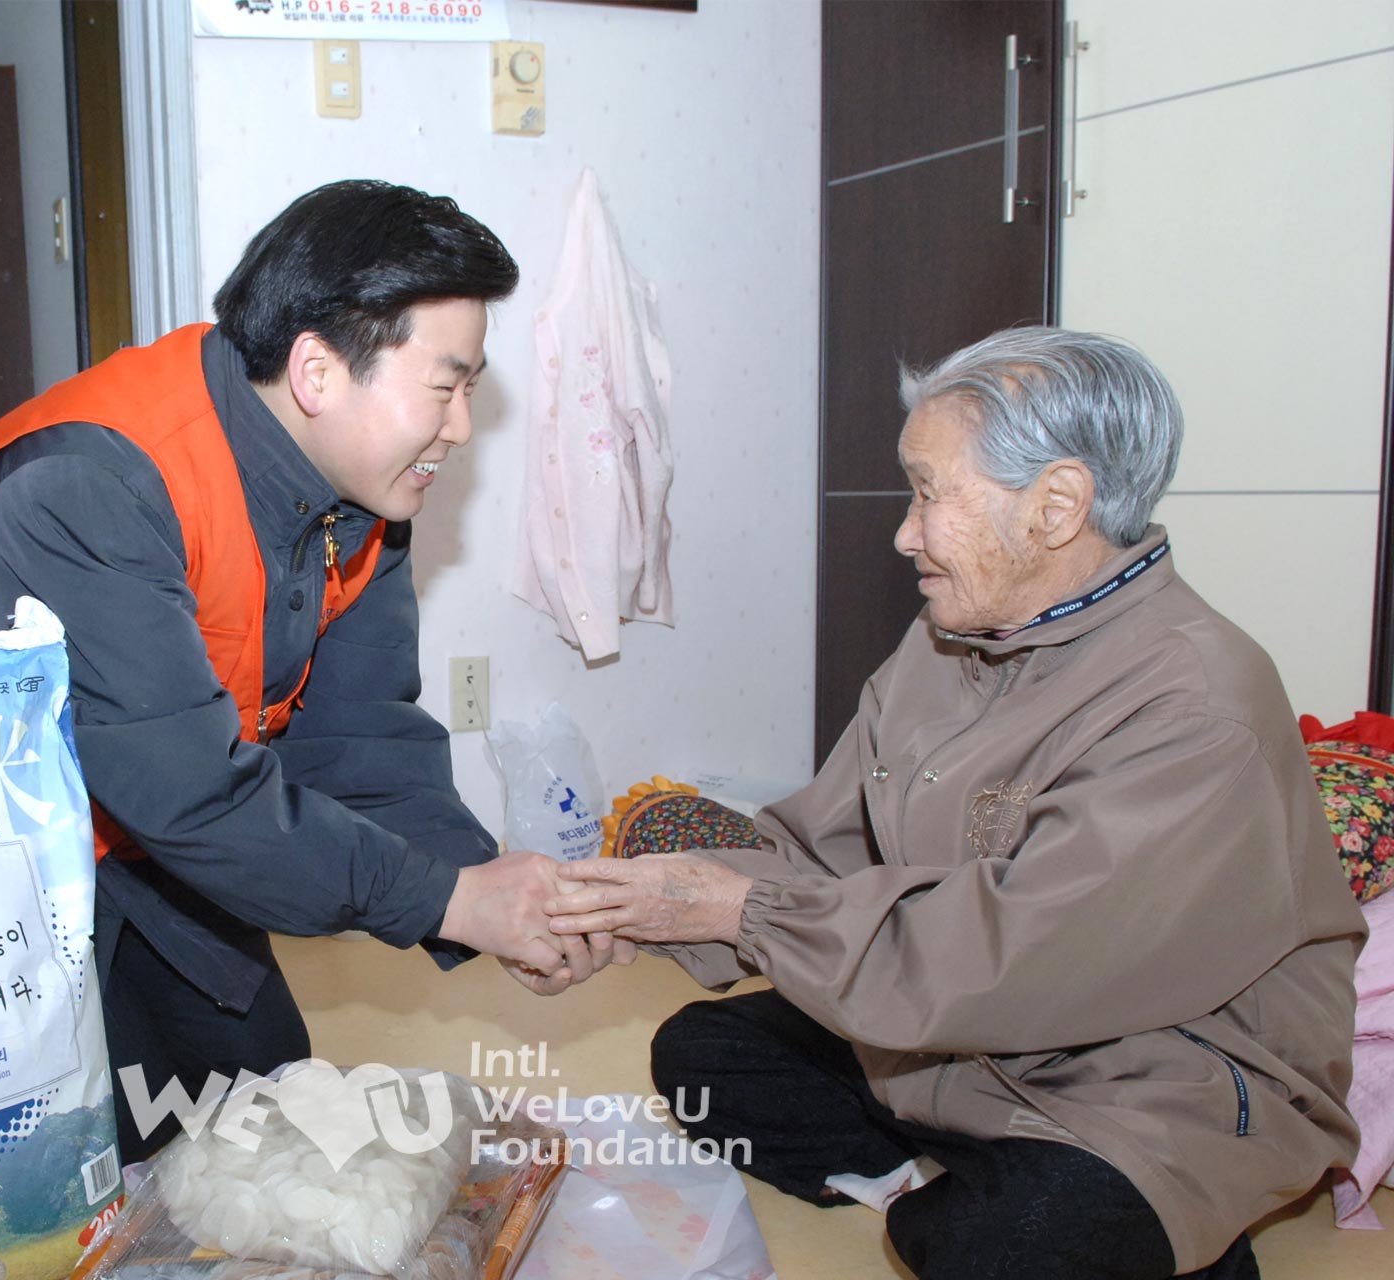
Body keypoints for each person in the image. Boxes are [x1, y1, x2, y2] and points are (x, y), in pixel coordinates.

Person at [546, 328, 1365, 1280]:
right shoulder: (949, 640)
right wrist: (635, 909)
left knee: (998, 1243)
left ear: (1056, 507)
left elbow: (1014, 961)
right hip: (955, 1044)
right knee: (705, 1053)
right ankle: (943, 1179)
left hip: (1144, 1077)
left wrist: (736, 907)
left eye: (930, 492)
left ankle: (1087, 1213)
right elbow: (824, 850)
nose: (904, 531)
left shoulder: (1195, 703)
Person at [0, 179, 619, 1159]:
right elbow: (195, 797)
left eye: (472, 387)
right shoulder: (89, 486)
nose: (461, 426)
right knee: (63, 1165)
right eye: (446, 385)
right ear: (319, 370)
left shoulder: (360, 494)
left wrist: (488, 888)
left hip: (135, 830)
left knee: (263, 1106)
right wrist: (455, 901)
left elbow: (358, 731)